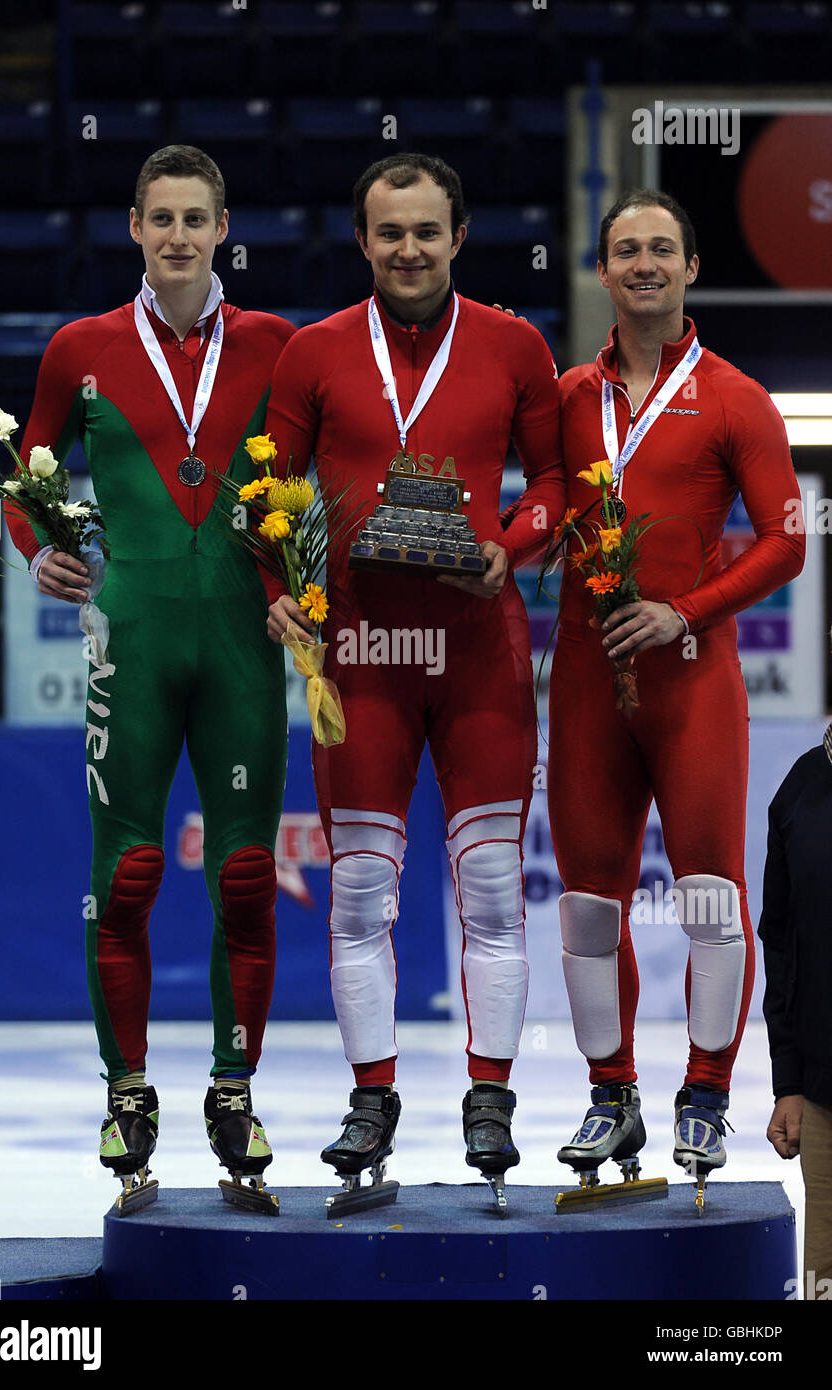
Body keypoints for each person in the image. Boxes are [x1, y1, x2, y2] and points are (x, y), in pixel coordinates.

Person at [260, 152, 565, 1210]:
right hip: (364, 659)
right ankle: (372, 1095)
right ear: (362, 240)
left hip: (479, 647)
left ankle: (491, 1094)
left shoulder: (517, 344)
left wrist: (514, 546)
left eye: (426, 231)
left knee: (490, 889)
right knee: (357, 892)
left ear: (459, 235)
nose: (408, 250)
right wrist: (284, 587)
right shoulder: (312, 352)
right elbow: (273, 494)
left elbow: (559, 483)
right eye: (390, 233)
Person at [5, 145, 295, 1213]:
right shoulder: (78, 348)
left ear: (225, 229)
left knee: (245, 874)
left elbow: (313, 481)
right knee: (125, 875)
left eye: (196, 218)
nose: (177, 235)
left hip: (240, 641)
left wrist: (301, 580)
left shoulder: (275, 344)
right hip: (126, 641)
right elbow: (21, 474)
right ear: (133, 226)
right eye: (160, 217)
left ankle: (233, 1088)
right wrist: (40, 555)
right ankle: (127, 1092)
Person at [548, 189, 805, 1202]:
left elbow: (786, 541)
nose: (645, 263)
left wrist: (685, 611)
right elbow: (528, 505)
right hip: (583, 680)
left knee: (708, 896)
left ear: (690, 266)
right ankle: (611, 1092)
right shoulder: (565, 396)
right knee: (583, 907)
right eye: (626, 250)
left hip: (693, 680)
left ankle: (704, 1092)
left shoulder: (737, 397)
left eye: (662, 247)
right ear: (602, 271)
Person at [759, 711, 832, 1292]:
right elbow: (780, 946)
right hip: (825, 1100)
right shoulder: (799, 790)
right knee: (824, 1281)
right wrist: (790, 1082)